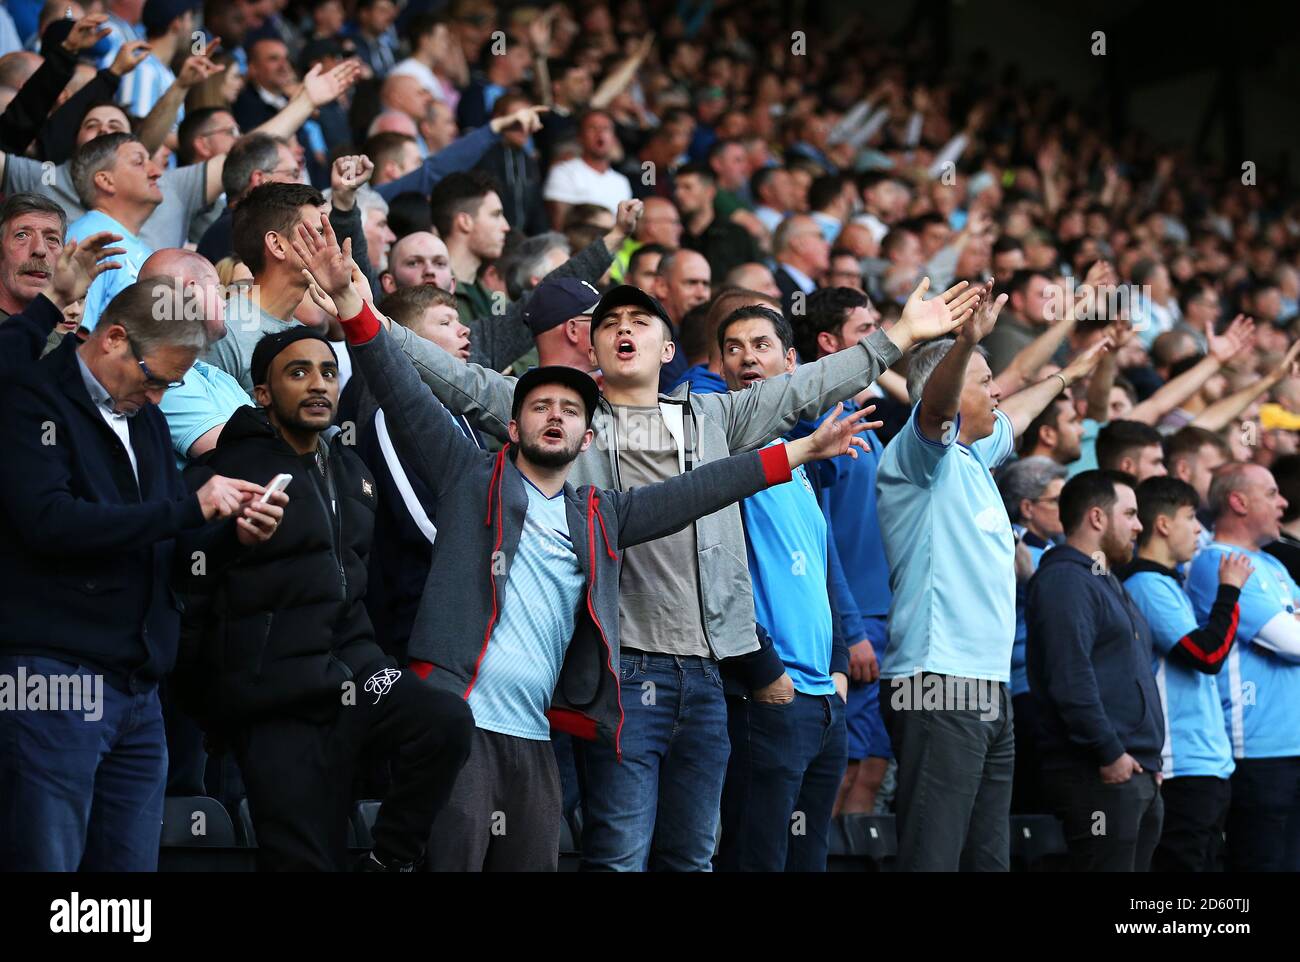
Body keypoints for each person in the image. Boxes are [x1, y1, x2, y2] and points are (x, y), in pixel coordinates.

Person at [293, 214, 877, 870]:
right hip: (465, 720)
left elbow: (703, 490)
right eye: (540, 406)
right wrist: (353, 308)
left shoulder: (601, 514)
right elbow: (407, 387)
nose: (555, 416)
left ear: (588, 436)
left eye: (570, 411)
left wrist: (801, 447)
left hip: (540, 734)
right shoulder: (469, 475)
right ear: (509, 425)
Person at [368, 271, 982, 871]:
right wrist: (362, 313)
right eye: (610, 322)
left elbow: (807, 386)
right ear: (594, 346)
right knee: (619, 855)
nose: (623, 329)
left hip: (710, 678)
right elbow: (455, 379)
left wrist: (896, 338)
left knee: (691, 855)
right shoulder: (563, 416)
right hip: (620, 674)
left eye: (640, 321)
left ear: (668, 349)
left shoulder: (717, 419)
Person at [0, 275, 284, 871]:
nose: (158, 398)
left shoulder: (147, 419)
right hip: (57, 676)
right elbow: (50, 523)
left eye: (173, 385)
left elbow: (165, 546)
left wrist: (232, 535)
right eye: (154, 379)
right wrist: (189, 507)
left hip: (140, 688)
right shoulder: (31, 399)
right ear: (114, 338)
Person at [177, 325, 475, 872]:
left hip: (357, 676)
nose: (318, 384)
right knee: (307, 861)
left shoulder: (354, 472)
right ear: (262, 392)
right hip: (275, 699)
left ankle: (388, 862)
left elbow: (370, 587)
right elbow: (183, 573)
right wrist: (209, 704)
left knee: (444, 721)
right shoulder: (224, 470)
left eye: (328, 372)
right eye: (298, 372)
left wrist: (379, 663)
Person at [875, 282, 1111, 871]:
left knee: (988, 860)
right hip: (937, 683)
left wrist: (1070, 374)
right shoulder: (917, 455)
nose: (998, 390)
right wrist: (966, 343)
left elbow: (1021, 409)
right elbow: (935, 408)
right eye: (985, 383)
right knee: (932, 857)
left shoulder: (975, 458)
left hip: (987, 685)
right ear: (952, 391)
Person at [711, 303, 866, 871]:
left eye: (761, 344)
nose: (748, 357)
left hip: (824, 703)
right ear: (719, 367)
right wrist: (766, 676)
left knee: (810, 860)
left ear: (791, 361)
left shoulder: (800, 462)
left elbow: (824, 576)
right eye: (733, 347)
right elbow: (718, 577)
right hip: (768, 699)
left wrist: (839, 671)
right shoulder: (722, 455)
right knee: (756, 860)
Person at [1026, 470, 1166, 872]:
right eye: (1131, 514)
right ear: (1097, 518)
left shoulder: (1102, 579)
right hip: (1099, 774)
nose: (1140, 526)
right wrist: (1110, 753)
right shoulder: (1066, 580)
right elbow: (1070, 678)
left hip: (1133, 771)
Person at [1125, 476, 1250, 871]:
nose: (1199, 529)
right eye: (1190, 517)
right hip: (1179, 763)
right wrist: (1229, 591)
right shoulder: (1146, 584)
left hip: (1205, 762)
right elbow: (1207, 654)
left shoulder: (1165, 583)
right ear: (1163, 524)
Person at [1186, 463, 1300, 871]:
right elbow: (1292, 641)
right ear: (1238, 501)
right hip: (1256, 750)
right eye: (1271, 493)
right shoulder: (1215, 563)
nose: (1283, 502)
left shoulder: (1274, 566)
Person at [996, 455, 1067, 813]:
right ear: (1027, 507)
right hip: (1023, 686)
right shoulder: (1010, 547)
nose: (1067, 508)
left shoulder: (1057, 549)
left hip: (1052, 690)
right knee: (1029, 800)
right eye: (1057, 501)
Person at [66, 131, 162, 330]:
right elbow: (74, 334)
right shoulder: (89, 240)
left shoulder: (142, 249)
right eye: (139, 162)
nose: (156, 171)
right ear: (106, 180)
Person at [542, 108, 632, 227]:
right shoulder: (563, 172)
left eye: (606, 129)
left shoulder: (622, 182)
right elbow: (559, 225)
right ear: (580, 137)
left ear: (614, 138)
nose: (600, 134)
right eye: (592, 128)